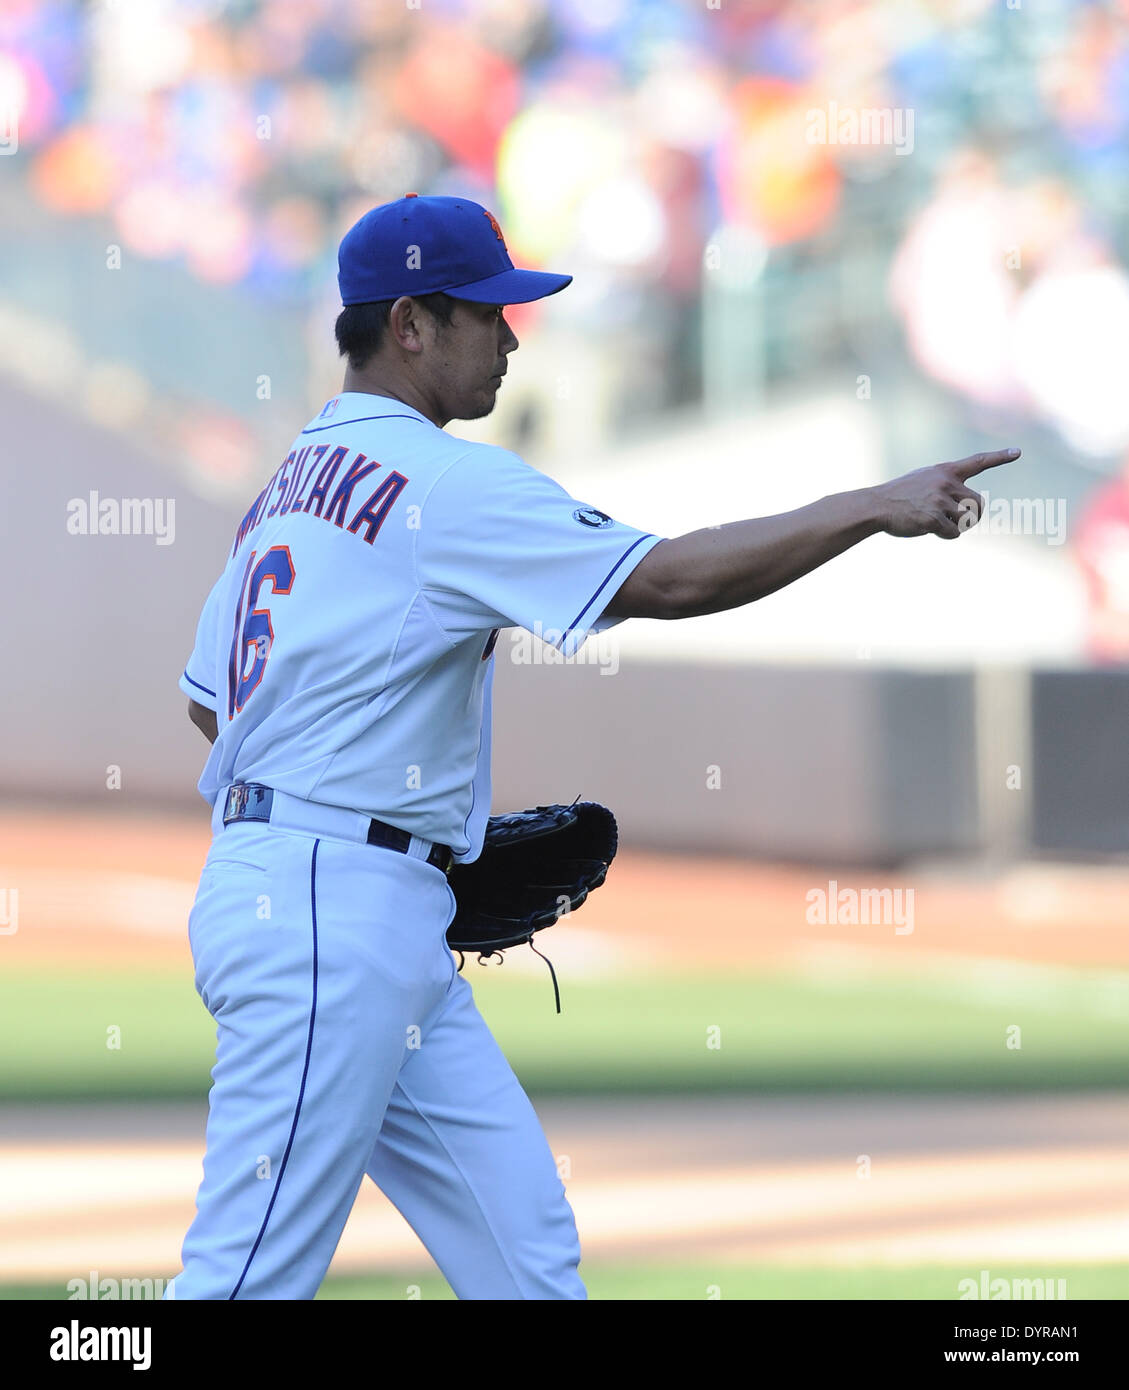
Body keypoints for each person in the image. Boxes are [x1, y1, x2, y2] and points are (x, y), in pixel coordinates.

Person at [171, 193, 1019, 1300]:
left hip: (345, 900)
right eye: (486, 312)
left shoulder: (283, 490)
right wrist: (871, 507)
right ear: (411, 325)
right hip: (331, 911)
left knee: (526, 1252)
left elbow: (209, 706)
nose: (511, 338)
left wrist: (398, 832)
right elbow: (669, 577)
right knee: (242, 1282)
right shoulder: (443, 481)